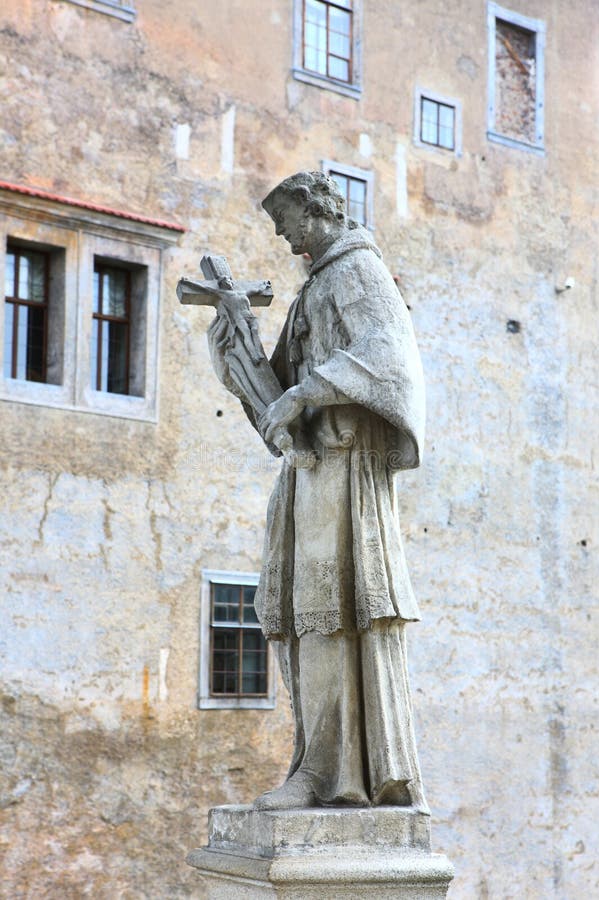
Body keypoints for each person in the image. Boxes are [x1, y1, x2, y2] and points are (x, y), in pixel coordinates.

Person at [209, 171, 428, 812]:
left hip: (346, 464)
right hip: (311, 467)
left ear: (313, 209)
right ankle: (316, 764)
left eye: (288, 225)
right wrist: (238, 350)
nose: (285, 240)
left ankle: (336, 774)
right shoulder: (317, 285)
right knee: (306, 616)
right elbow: (277, 396)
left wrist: (308, 392)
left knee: (332, 609)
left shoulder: (358, 270)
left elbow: (390, 356)